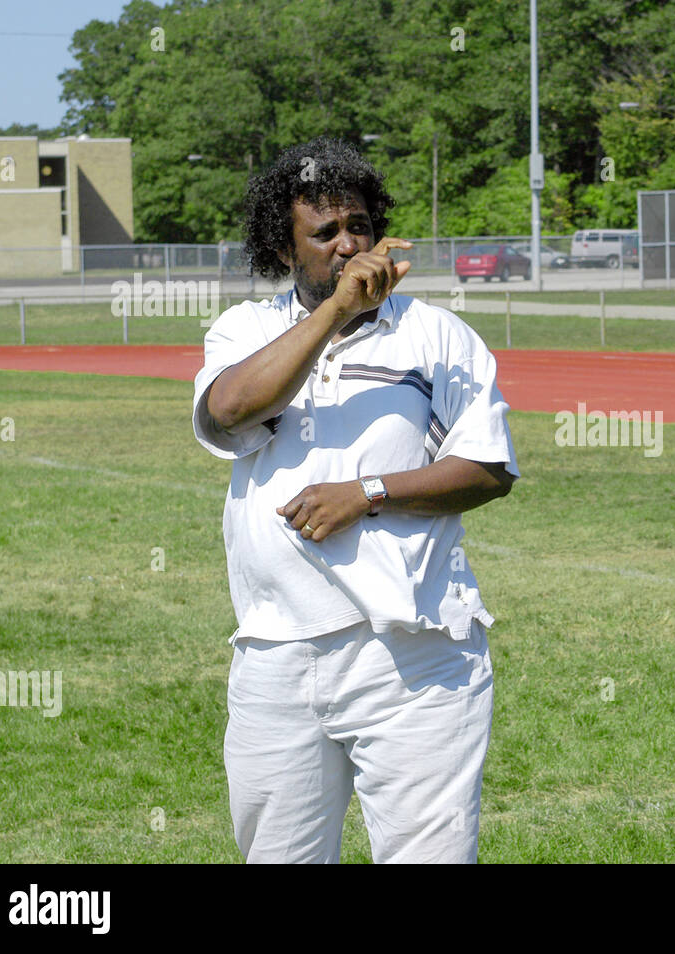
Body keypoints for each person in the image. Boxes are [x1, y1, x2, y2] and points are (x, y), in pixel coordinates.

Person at [192, 137, 519, 863]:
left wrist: (368, 493)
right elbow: (231, 408)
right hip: (276, 650)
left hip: (413, 651)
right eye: (326, 232)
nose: (350, 245)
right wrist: (335, 313)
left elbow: (489, 468)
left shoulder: (436, 335)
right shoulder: (246, 329)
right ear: (285, 247)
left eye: (361, 226)